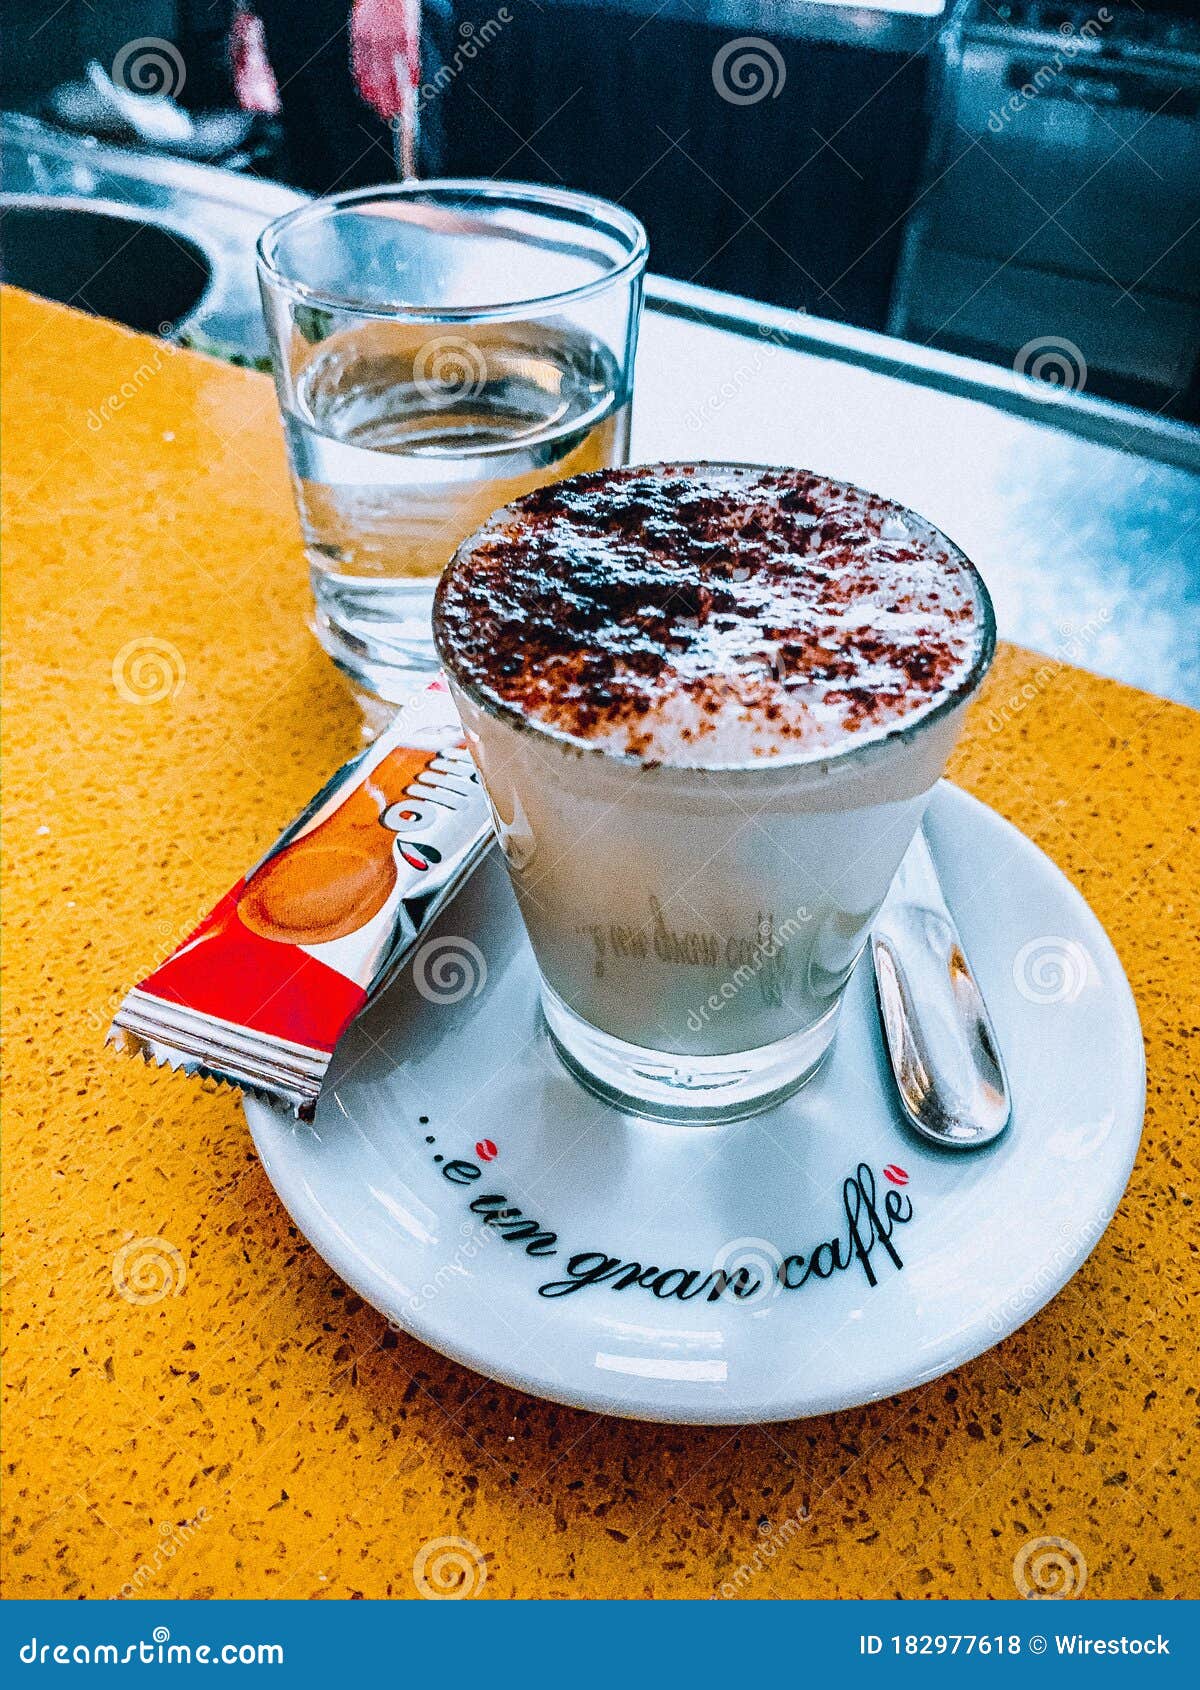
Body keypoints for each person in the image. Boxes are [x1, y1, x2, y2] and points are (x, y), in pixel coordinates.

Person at [230, 0, 450, 192]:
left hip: (359, 17)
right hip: (288, 19)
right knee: (314, 185)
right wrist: (246, 11)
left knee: (386, 195)